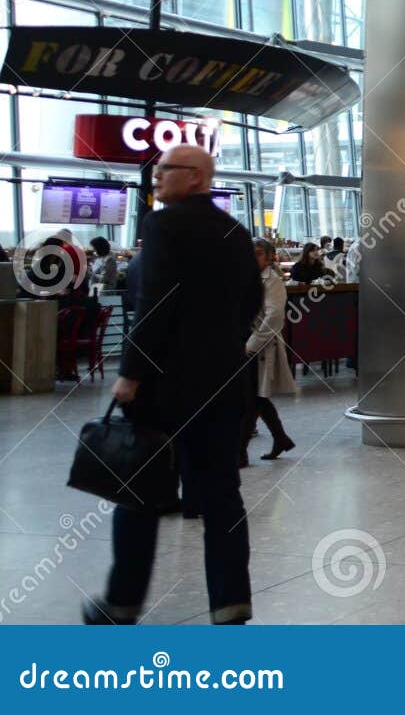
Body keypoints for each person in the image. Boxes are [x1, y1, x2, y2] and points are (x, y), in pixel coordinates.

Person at [87, 145, 262, 625]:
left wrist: (131, 373)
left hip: (165, 389)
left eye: (165, 170)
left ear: (197, 178)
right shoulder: (237, 232)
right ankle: (230, 602)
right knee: (222, 496)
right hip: (223, 384)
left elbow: (155, 304)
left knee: (139, 494)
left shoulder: (163, 226)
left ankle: (122, 602)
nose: (156, 177)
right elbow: (251, 302)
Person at [241, 237, 295, 465]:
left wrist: (252, 345)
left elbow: (274, 316)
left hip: (258, 346)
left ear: (269, 256)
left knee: (251, 397)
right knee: (255, 397)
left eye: (259, 254)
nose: (254, 259)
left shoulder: (272, 281)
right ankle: (280, 438)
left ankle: (239, 450)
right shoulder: (247, 277)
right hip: (244, 341)